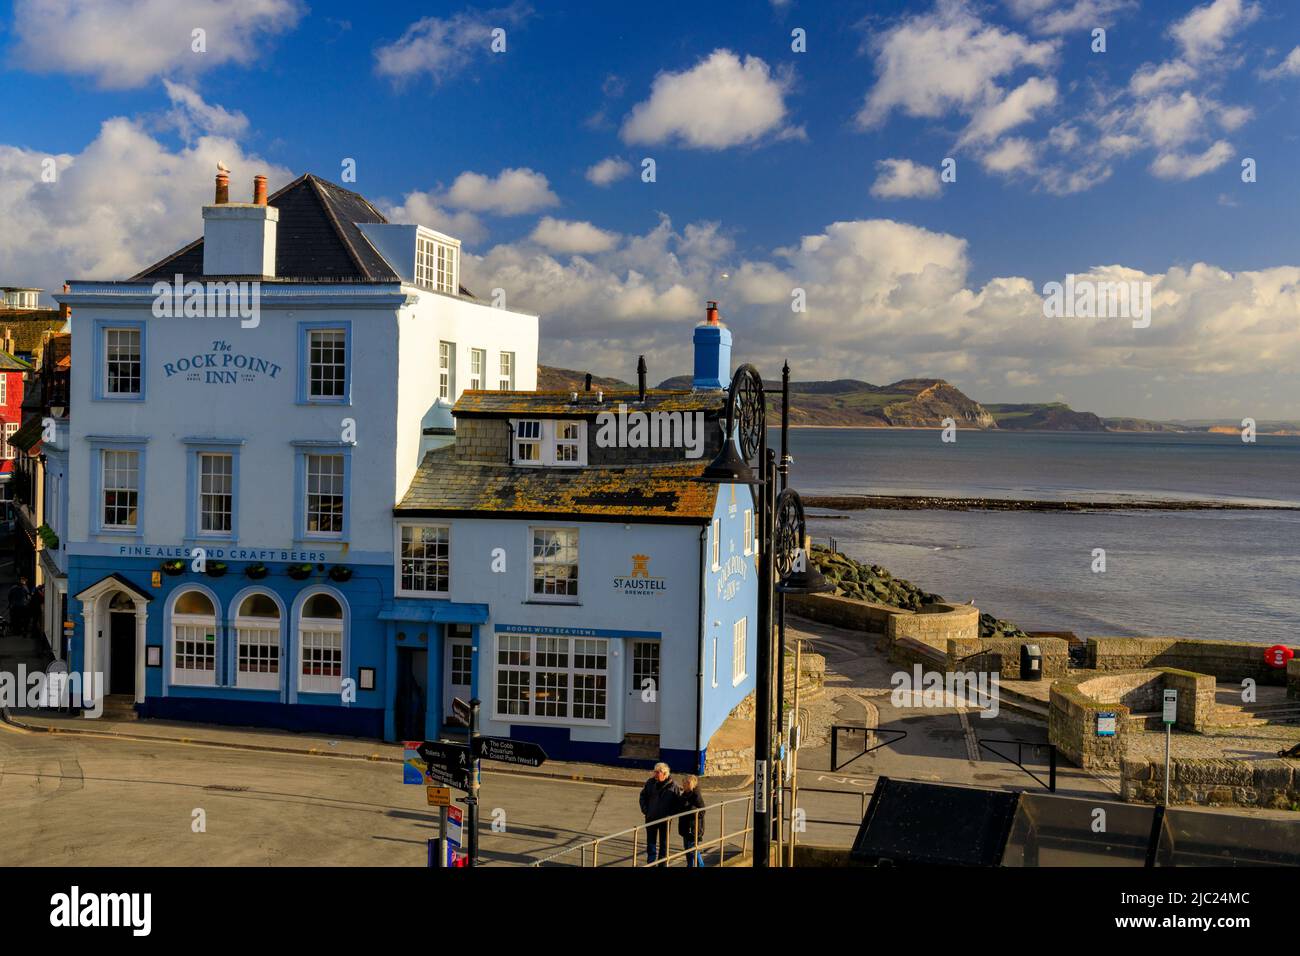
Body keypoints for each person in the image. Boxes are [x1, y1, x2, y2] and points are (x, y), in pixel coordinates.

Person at [638, 762, 679, 866]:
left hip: (665, 820)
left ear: (664, 774)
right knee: (651, 843)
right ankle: (651, 863)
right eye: (654, 771)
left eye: (657, 772)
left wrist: (670, 814)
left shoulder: (673, 786)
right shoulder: (650, 783)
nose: (654, 774)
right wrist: (645, 810)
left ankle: (663, 863)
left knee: (664, 844)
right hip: (651, 818)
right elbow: (642, 796)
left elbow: (678, 802)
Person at [678, 774, 706, 867]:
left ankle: (701, 866)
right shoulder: (684, 794)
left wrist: (689, 808)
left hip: (693, 828)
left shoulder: (696, 795)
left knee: (693, 850)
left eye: (684, 783)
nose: (683, 785)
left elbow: (702, 811)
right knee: (687, 850)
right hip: (685, 827)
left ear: (690, 784)